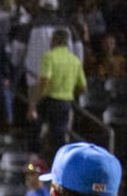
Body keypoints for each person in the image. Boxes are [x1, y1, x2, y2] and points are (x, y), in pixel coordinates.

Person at [30, 29, 86, 158]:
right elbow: (83, 87)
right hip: (66, 102)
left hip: (49, 100)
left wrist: (34, 103)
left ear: (54, 41)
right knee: (59, 135)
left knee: (36, 129)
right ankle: (57, 164)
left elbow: (45, 81)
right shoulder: (75, 61)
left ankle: (36, 159)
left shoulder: (49, 57)